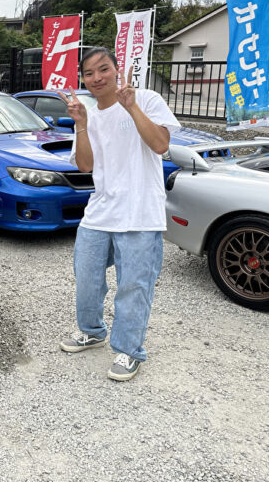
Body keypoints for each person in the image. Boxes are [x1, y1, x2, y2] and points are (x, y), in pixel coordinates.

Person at [57, 47, 180, 381]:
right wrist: (80, 123)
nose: (97, 78)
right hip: (99, 211)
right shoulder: (88, 113)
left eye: (104, 69)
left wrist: (132, 106)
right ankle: (92, 331)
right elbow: (86, 165)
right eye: (89, 73)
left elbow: (160, 145)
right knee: (87, 278)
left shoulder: (148, 99)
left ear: (116, 69)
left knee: (133, 285)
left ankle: (129, 350)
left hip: (141, 211)